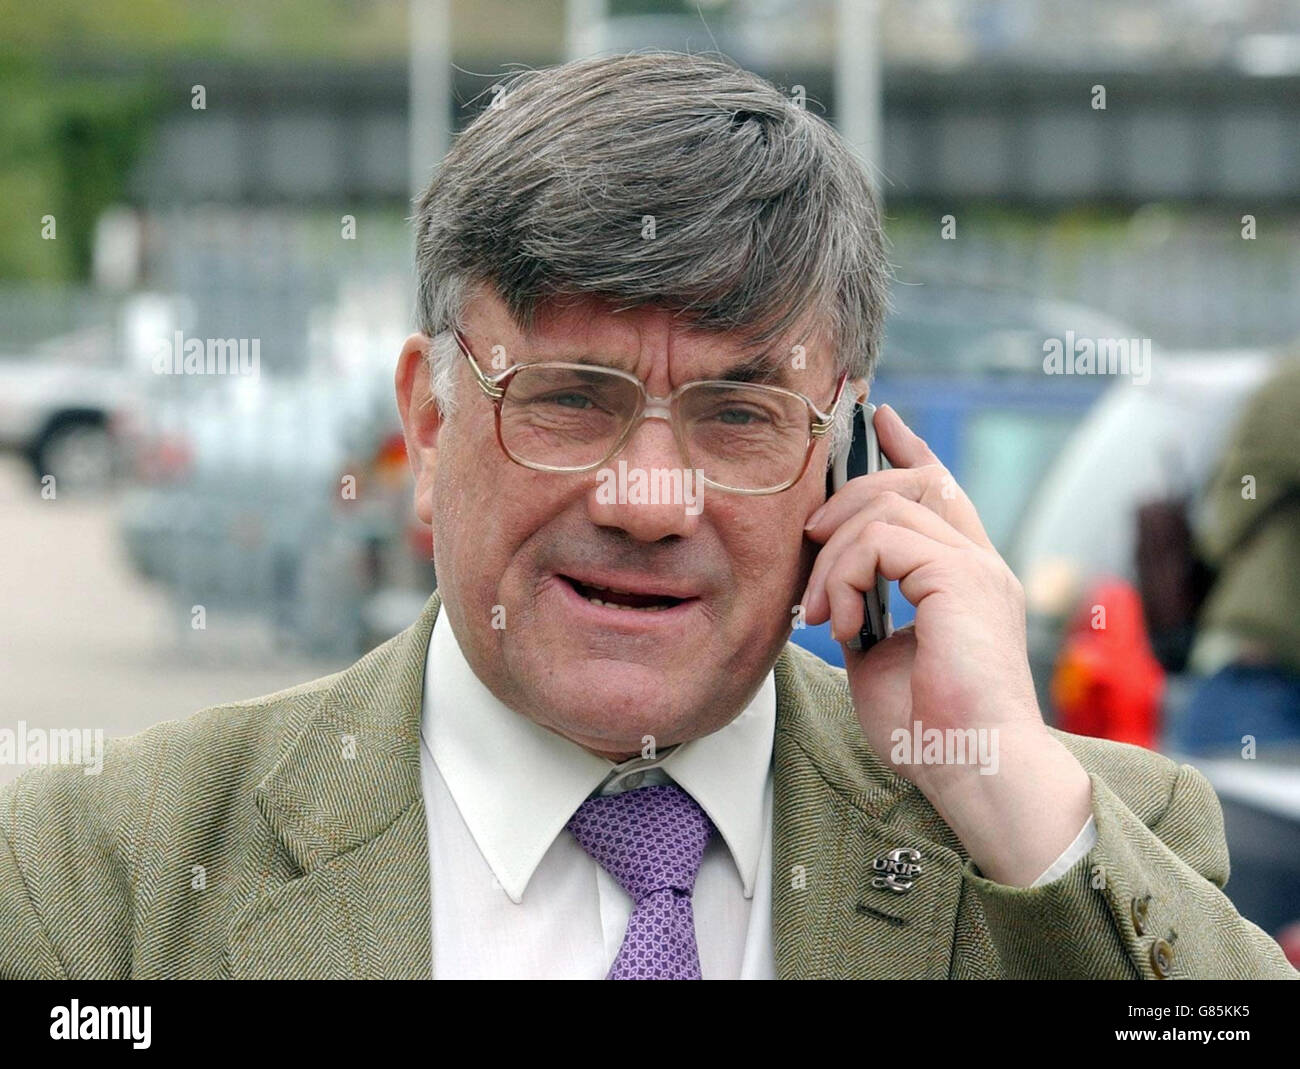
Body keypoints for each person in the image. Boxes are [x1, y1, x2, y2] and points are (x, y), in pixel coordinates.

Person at [1, 51, 1293, 980]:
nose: (647, 500)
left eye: (739, 414)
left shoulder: (1074, 841)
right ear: (431, 418)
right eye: (569, 398)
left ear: (840, 454)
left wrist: (1002, 788)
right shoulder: (99, 869)